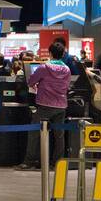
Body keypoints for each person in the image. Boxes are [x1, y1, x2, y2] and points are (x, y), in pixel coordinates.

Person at [18, 41, 71, 171]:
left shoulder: (44, 67)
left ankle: (29, 161)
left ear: (50, 53)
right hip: (61, 105)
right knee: (59, 135)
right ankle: (57, 162)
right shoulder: (67, 69)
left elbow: (31, 81)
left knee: (34, 132)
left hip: (45, 104)